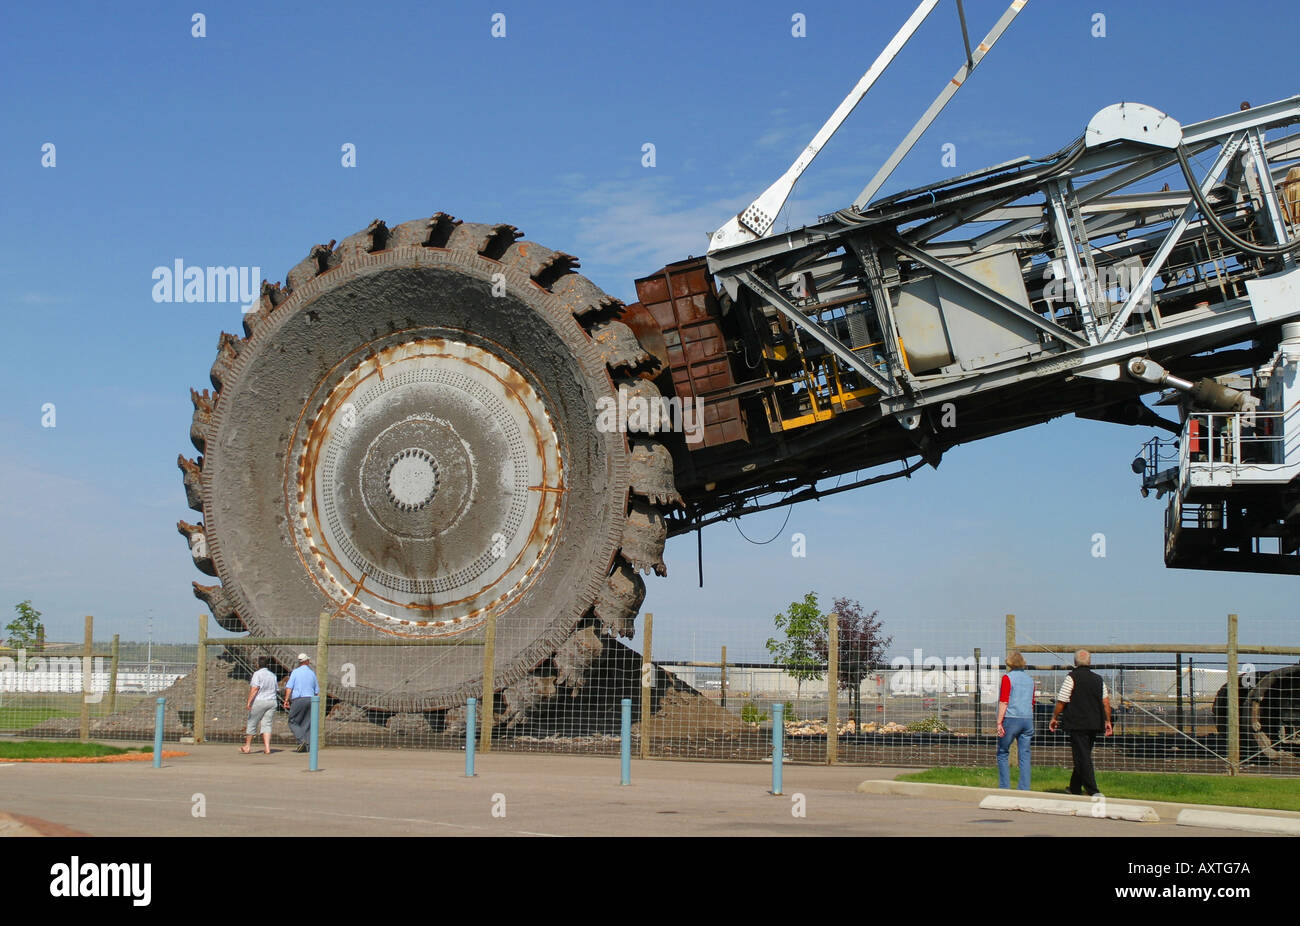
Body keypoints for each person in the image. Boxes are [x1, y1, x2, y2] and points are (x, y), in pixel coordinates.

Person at [1048, 649, 1113, 795]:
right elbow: (1106, 702)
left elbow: (1062, 700)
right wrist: (1107, 720)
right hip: (1094, 722)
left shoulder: (1071, 677)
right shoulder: (1098, 679)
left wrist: (1054, 717)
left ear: (1075, 662)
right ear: (1089, 662)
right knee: (1083, 754)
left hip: (1076, 723)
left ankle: (1093, 790)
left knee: (1082, 756)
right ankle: (1074, 788)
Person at [995, 651, 1034, 790]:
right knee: (1024, 754)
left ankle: (1004, 786)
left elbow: (1004, 701)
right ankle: (1024, 788)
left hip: (1011, 718)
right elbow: (1032, 702)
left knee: (1003, 752)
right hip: (1028, 719)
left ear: (1009, 663)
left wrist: (999, 722)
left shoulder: (1007, 678)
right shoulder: (1030, 680)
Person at [241, 656, 278, 755]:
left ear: (258, 664)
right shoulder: (273, 675)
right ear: (267, 664)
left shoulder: (257, 674)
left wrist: (249, 702)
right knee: (267, 724)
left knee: (252, 722)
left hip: (260, 700)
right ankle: (267, 747)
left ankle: (247, 746)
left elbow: (255, 688)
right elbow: (276, 689)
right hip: (272, 701)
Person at [283, 653, 319, 753]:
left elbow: (289, 687)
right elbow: (316, 690)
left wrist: (286, 700)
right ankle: (308, 746)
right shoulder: (312, 673)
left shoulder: (295, 672)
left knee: (292, 721)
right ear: (307, 661)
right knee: (307, 723)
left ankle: (302, 741)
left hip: (299, 699)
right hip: (311, 699)